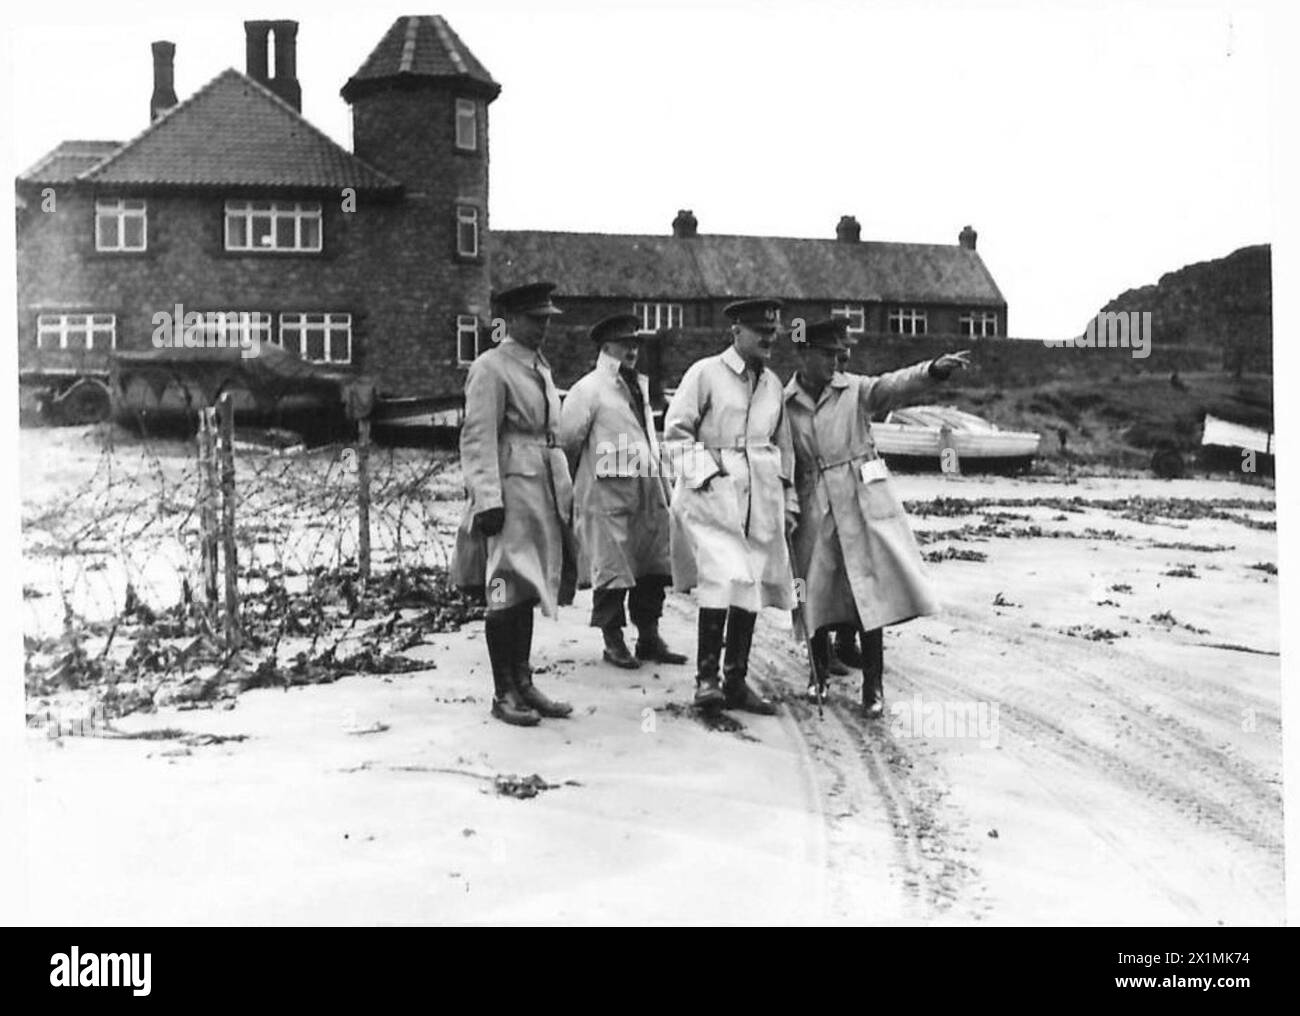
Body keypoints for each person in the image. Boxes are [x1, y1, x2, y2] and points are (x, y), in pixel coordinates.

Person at [784, 317, 971, 717]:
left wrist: (932, 370)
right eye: (829, 355)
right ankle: (817, 676)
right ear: (805, 353)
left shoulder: (855, 391)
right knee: (813, 591)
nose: (837, 362)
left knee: (868, 592)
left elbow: (894, 386)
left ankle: (873, 686)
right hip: (813, 502)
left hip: (859, 500)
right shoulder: (784, 403)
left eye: (840, 354)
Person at [662, 298, 799, 715]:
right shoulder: (705, 373)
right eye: (760, 331)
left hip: (760, 496)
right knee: (720, 578)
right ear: (736, 331)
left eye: (773, 331)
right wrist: (706, 475)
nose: (769, 338)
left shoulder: (773, 384)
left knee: (749, 584)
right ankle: (707, 681)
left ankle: (736, 682)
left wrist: (788, 499)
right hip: (713, 497)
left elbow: (784, 445)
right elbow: (675, 433)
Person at [451, 281, 577, 727]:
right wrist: (486, 498)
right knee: (504, 587)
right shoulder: (491, 367)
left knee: (527, 586)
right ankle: (503, 691)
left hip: (539, 485)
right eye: (535, 319)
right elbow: (478, 435)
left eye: (547, 319)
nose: (544, 327)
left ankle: (523, 682)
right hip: (509, 489)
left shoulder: (539, 367)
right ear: (512, 320)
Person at [558, 313, 686, 669]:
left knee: (652, 566)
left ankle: (649, 636)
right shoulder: (589, 389)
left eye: (635, 344)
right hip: (607, 495)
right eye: (624, 344)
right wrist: (570, 493)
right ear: (605, 346)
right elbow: (567, 442)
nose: (631, 351)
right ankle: (612, 640)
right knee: (611, 570)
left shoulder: (638, 387)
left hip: (645, 490)